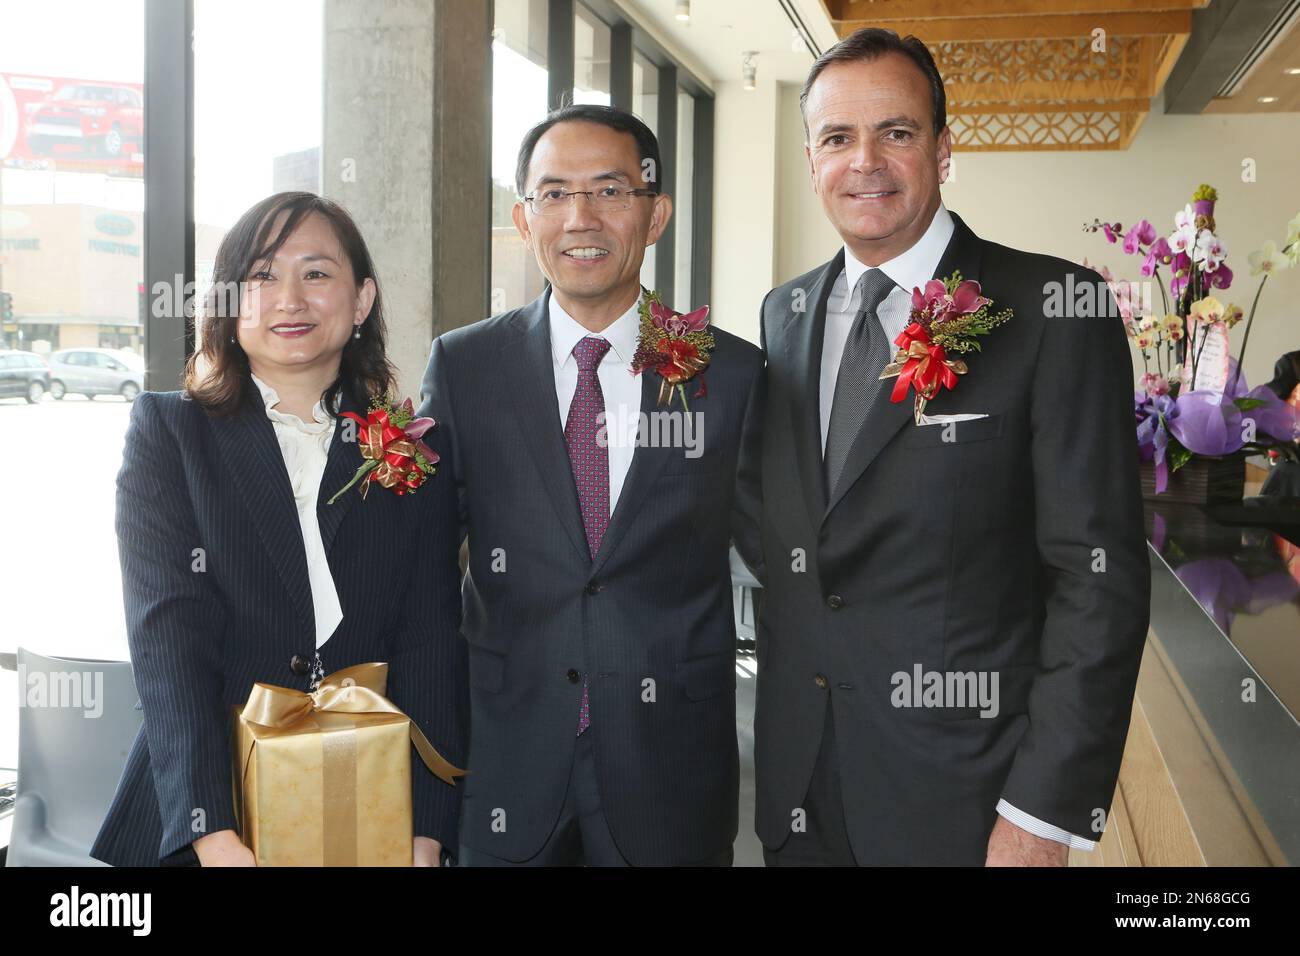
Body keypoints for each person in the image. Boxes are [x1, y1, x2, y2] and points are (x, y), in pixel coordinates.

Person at [740, 28, 1150, 866]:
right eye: (837, 138)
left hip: (970, 800)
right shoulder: (782, 315)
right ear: (811, 158)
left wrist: (1043, 813)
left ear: (943, 148)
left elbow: (1095, 578)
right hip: (798, 788)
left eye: (896, 132)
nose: (866, 161)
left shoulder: (1053, 307)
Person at [418, 104, 763, 866]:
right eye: (554, 193)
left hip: (670, 758)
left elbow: (781, 549)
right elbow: (425, 567)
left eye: (610, 190)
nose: (581, 216)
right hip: (504, 752)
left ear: (655, 213)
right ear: (522, 217)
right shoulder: (467, 365)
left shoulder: (729, 372)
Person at [90, 192, 467, 866]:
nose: (287, 298)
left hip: (366, 796)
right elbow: (169, 643)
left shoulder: (408, 449)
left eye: (316, 273)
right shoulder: (170, 435)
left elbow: (430, 643)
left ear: (361, 301)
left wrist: (426, 830)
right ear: (230, 304)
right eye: (260, 276)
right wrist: (213, 834)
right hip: (208, 809)